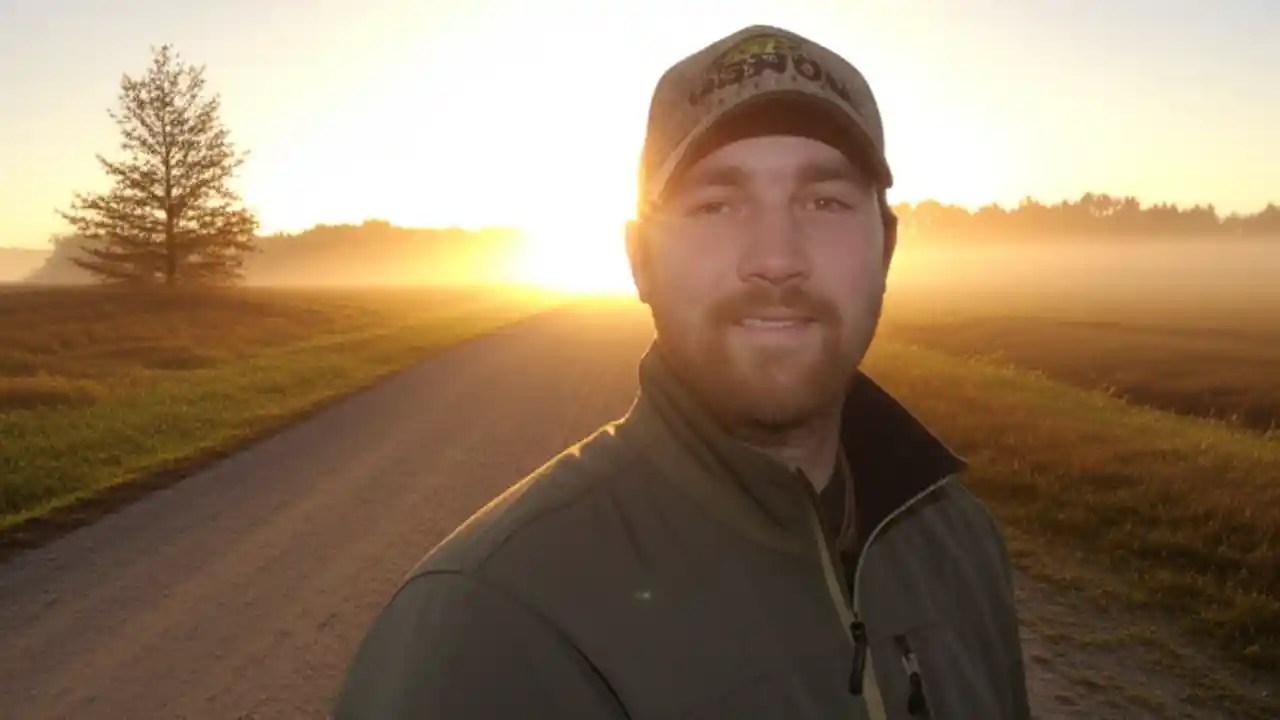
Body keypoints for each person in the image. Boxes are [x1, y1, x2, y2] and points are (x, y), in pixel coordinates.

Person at [335, 24, 1030, 719]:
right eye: (717, 205)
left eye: (825, 201)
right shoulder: (483, 629)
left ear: (886, 249)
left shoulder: (959, 540)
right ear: (640, 259)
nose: (777, 256)